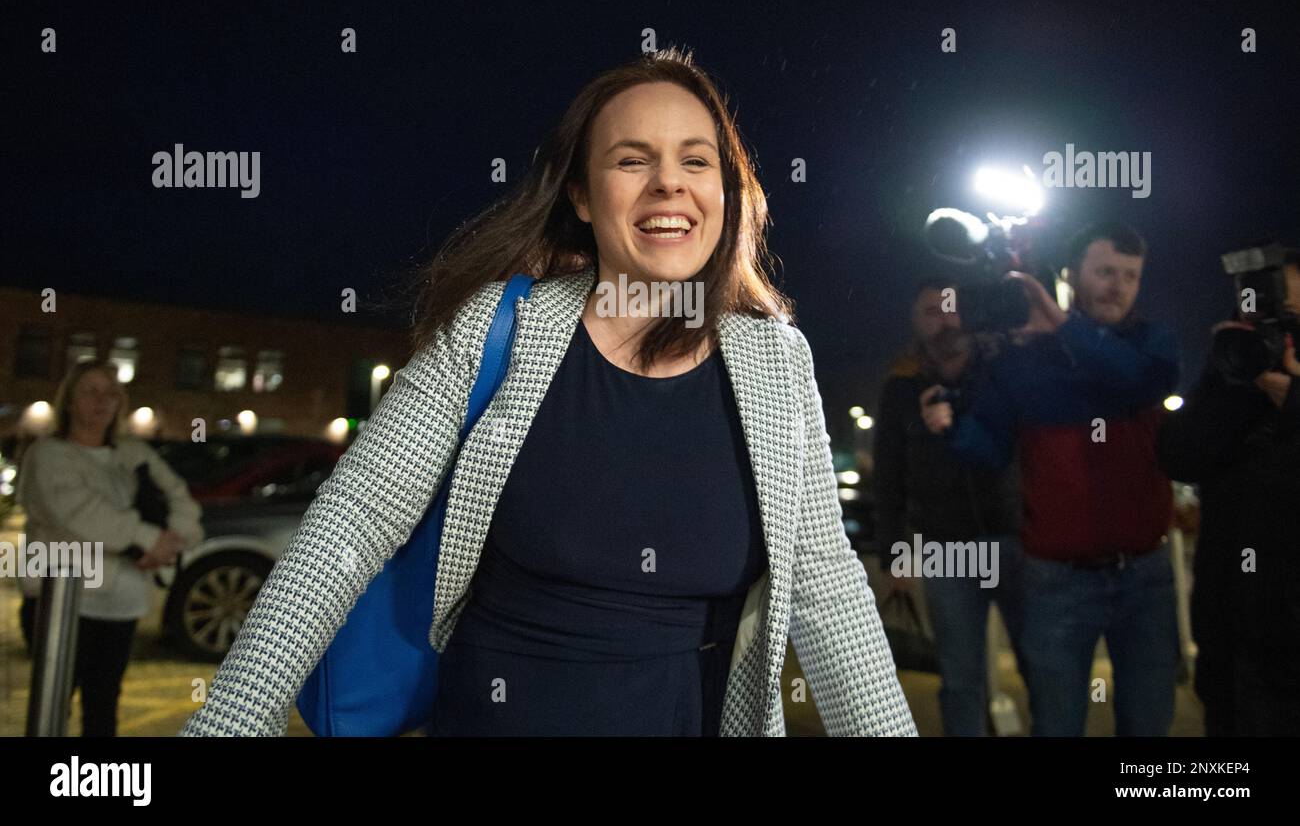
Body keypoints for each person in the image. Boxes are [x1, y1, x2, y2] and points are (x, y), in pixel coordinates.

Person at [179, 46, 917, 737]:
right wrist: (230, 720)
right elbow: (353, 523)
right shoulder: (499, 330)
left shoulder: (777, 362)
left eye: (697, 160)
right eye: (633, 160)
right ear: (583, 198)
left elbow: (827, 584)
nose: (670, 183)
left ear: (726, 193)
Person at [921, 221, 1181, 735]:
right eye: (1105, 271)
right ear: (1072, 275)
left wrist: (1063, 327)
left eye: (1131, 275)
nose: (1118, 285)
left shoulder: (1151, 344)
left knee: (1149, 725)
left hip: (1146, 576)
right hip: (1057, 581)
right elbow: (989, 449)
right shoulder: (1023, 361)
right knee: (1057, 722)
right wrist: (949, 424)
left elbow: (1139, 379)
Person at [17, 360, 204, 736]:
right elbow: (80, 512)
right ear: (68, 400)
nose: (102, 400)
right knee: (51, 707)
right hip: (63, 603)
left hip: (121, 606)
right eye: (91, 390)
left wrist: (171, 542)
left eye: (111, 392)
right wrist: (147, 538)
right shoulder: (48, 455)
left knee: (103, 709)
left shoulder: (132, 453)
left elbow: (180, 498)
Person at [1157, 248, 1300, 735]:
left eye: (1293, 320)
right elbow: (1178, 455)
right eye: (1270, 318)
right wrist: (1233, 378)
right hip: (1230, 639)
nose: (1282, 334)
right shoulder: (1240, 379)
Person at [874, 277, 1024, 735]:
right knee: (960, 678)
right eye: (929, 311)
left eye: (949, 307)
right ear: (915, 325)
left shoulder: (1001, 369)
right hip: (946, 549)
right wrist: (895, 554)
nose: (942, 318)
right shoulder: (900, 387)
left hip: (1016, 539)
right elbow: (888, 475)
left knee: (1043, 664)